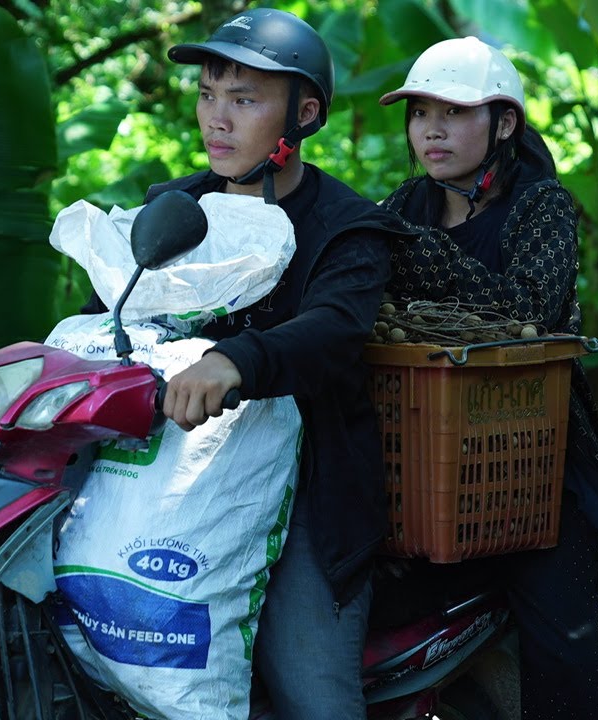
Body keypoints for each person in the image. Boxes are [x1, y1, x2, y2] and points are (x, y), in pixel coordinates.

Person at [80, 8, 402, 718]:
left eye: (244, 99)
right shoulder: (175, 207)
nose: (215, 119)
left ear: (304, 113)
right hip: (170, 478)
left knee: (312, 692)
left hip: (311, 490)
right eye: (206, 94)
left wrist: (237, 360)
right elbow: (117, 317)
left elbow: (335, 329)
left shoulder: (349, 227)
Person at [375, 36, 598, 719]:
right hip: (427, 476)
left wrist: (414, 252)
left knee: (568, 662)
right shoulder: (406, 205)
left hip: (538, 478)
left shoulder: (540, 204)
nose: (431, 129)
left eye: (454, 113)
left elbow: (527, 311)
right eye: (419, 113)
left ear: (504, 124)